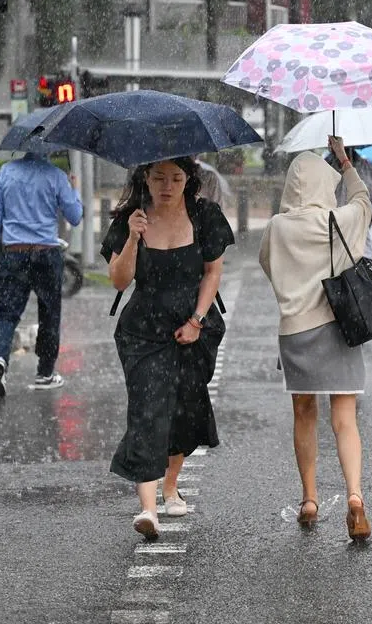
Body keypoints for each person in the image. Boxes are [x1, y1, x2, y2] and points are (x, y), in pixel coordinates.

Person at [101, 157, 234, 541]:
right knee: (146, 409)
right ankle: (146, 508)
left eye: (176, 178)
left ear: (187, 180)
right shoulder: (132, 216)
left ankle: (170, 485)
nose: (167, 186)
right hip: (144, 329)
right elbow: (118, 280)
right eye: (159, 177)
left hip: (193, 323)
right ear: (145, 177)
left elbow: (212, 272)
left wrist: (196, 321)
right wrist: (131, 238)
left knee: (185, 410)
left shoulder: (204, 214)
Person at [259, 137, 372, 541]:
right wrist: (344, 162)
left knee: (304, 414)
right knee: (345, 419)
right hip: (337, 328)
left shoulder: (276, 228)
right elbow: (363, 201)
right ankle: (355, 499)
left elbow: (268, 267)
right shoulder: (338, 219)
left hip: (296, 332)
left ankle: (309, 500)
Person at [0, 150, 83, 397]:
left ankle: (0, 362)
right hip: (46, 253)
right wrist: (73, 189)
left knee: (7, 313)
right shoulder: (56, 176)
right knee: (49, 314)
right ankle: (45, 373)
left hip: (14, 252)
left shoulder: (6, 172)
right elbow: (76, 216)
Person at [328, 147, 372, 259]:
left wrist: (363, 212)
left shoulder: (371, 170)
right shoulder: (324, 167)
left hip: (360, 251)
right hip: (328, 249)